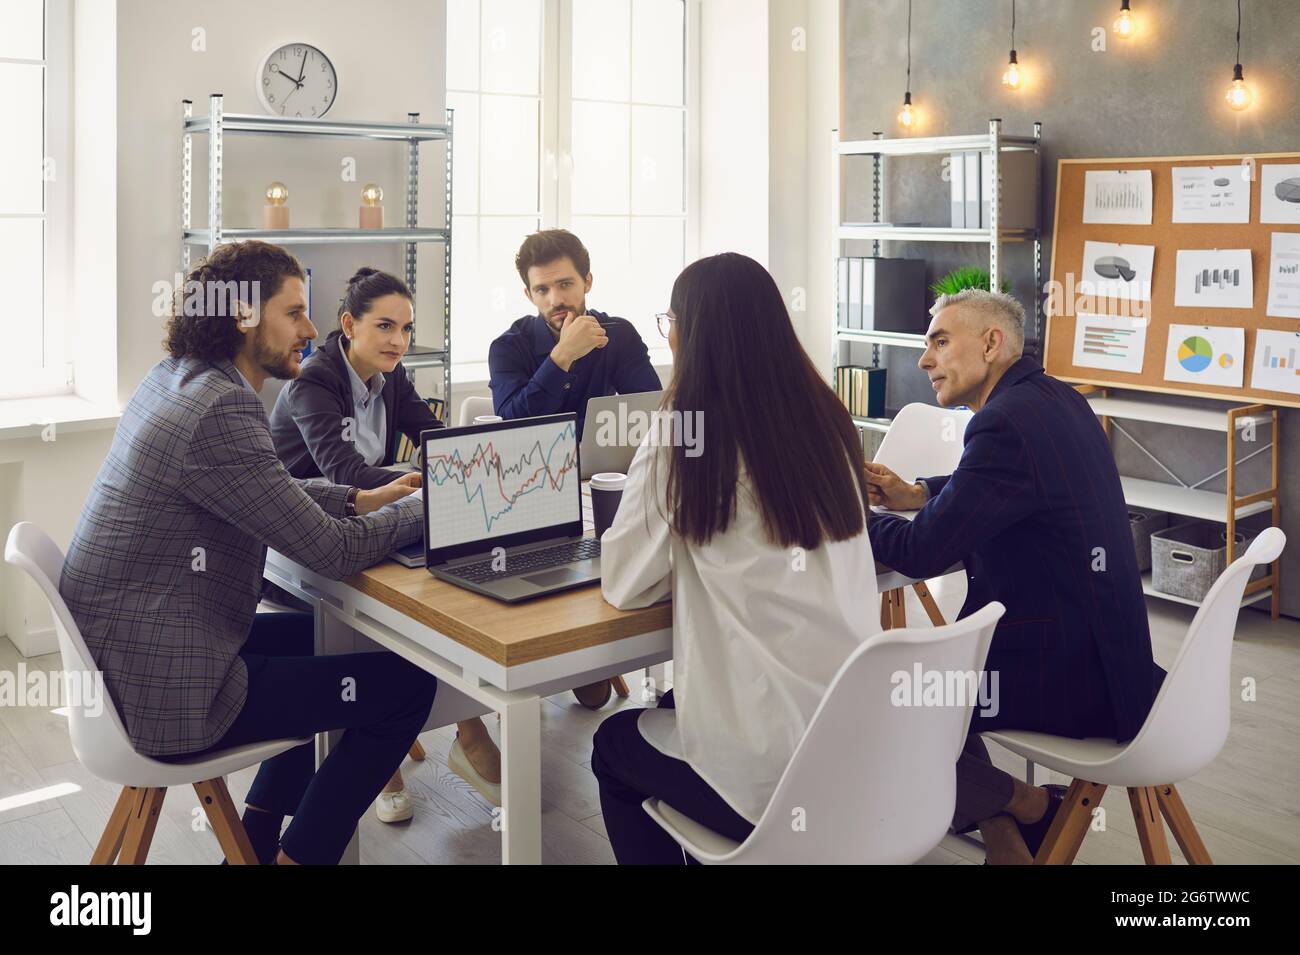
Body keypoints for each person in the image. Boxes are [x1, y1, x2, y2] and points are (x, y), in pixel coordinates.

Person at [59, 240, 436, 865]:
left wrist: (358, 498)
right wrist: (428, 506)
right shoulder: (223, 405)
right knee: (406, 685)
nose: (311, 330)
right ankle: (301, 857)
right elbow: (332, 553)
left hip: (130, 663)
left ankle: (258, 836)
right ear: (242, 315)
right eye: (294, 313)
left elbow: (262, 489)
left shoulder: (179, 378)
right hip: (167, 691)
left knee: (332, 643)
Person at [589, 252, 881, 864]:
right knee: (675, 710)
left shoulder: (684, 434)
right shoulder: (827, 416)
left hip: (767, 781)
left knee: (614, 745)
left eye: (669, 320)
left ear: (687, 332)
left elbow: (623, 583)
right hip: (862, 754)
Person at [865, 288, 1165, 865]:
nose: (924, 360)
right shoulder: (1054, 400)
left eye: (940, 342)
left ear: (992, 342)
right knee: (933, 675)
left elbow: (924, 550)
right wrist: (919, 491)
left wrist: (846, 518)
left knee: (888, 698)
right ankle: (1012, 830)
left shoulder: (1003, 424)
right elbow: (987, 480)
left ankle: (1024, 807)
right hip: (1115, 663)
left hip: (1072, 678)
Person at [271, 267, 503, 814]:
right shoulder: (313, 380)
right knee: (412, 603)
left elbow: (430, 432)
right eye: (385, 327)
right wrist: (435, 480)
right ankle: (394, 749)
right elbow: (343, 470)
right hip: (301, 545)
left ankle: (453, 733)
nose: (399, 341)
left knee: (443, 592)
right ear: (348, 324)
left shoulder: (391, 374)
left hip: (362, 526)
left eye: (406, 328)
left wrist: (466, 457)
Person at [489, 228, 662, 710]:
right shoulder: (509, 347)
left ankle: (592, 651)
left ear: (588, 281)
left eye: (565, 285)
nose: (555, 299)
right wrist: (562, 356)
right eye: (542, 289)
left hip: (603, 487)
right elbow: (514, 426)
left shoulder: (619, 334)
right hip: (529, 494)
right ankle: (561, 655)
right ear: (528, 294)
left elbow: (648, 410)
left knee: (630, 548)